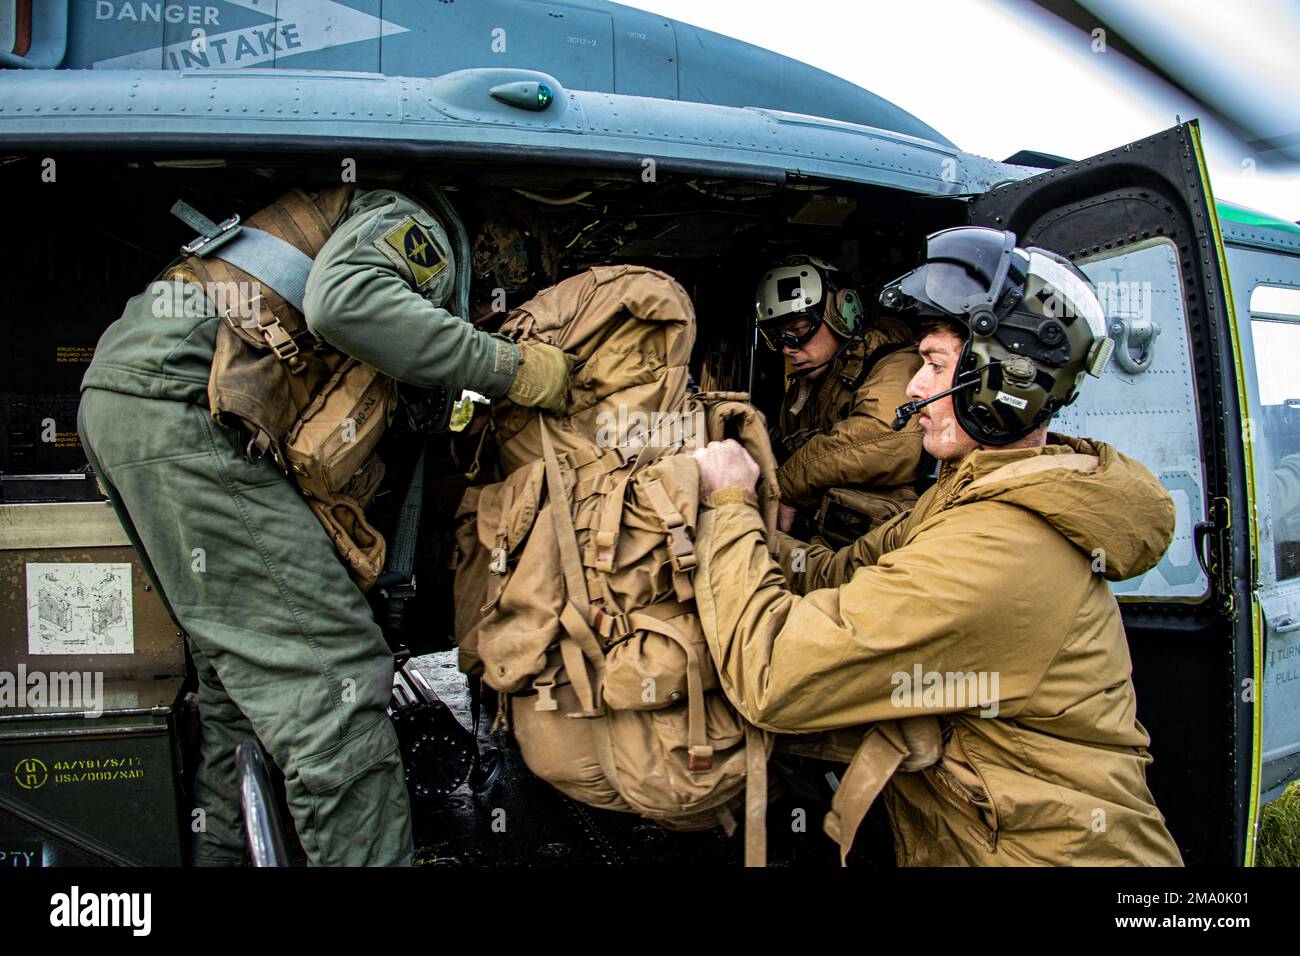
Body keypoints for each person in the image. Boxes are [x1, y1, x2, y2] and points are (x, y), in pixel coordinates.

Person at [77, 185, 570, 866]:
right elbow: (348, 305)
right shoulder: (420, 224)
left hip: (151, 403)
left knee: (239, 688)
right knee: (334, 684)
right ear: (499, 251)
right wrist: (513, 370)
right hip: (185, 406)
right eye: (495, 296)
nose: (487, 311)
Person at [691, 227, 1184, 865]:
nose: (916, 388)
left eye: (934, 365)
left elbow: (773, 676)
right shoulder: (970, 493)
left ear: (1005, 380)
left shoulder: (999, 548)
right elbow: (843, 568)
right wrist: (762, 542)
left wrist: (728, 507)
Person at [754, 255, 924, 540]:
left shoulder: (896, 364)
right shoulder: (803, 389)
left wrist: (788, 486)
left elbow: (889, 439)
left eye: (798, 330)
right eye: (778, 336)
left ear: (842, 315)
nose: (787, 347)